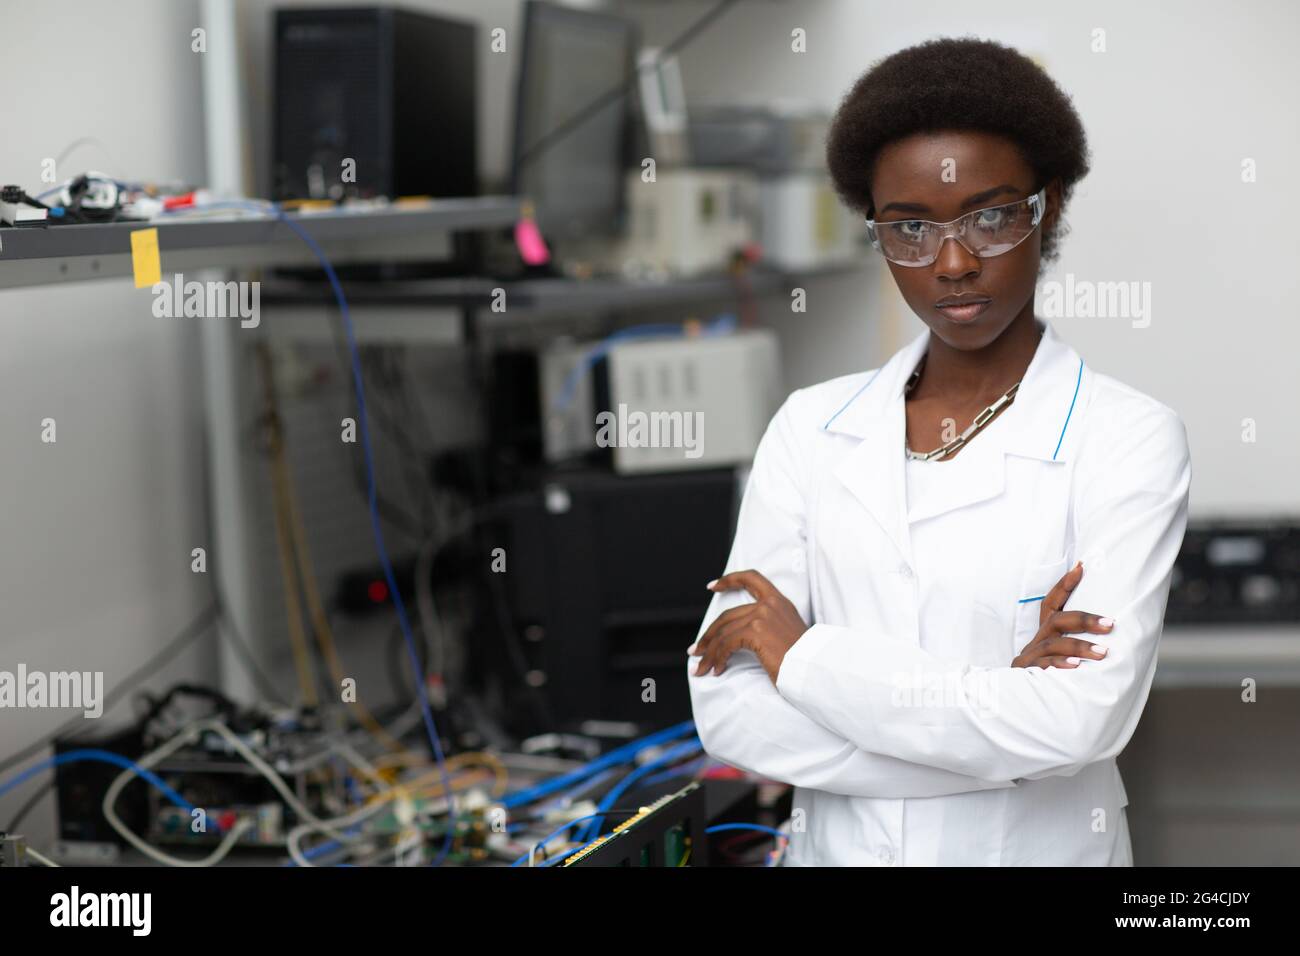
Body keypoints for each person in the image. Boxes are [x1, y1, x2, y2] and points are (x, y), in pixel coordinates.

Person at [686, 37, 1192, 866]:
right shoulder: (810, 428)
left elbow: (1081, 721)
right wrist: (1003, 739)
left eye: (991, 216)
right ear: (876, 229)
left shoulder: (1128, 437)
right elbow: (732, 712)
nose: (953, 263)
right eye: (910, 228)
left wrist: (805, 658)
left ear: (1048, 206)